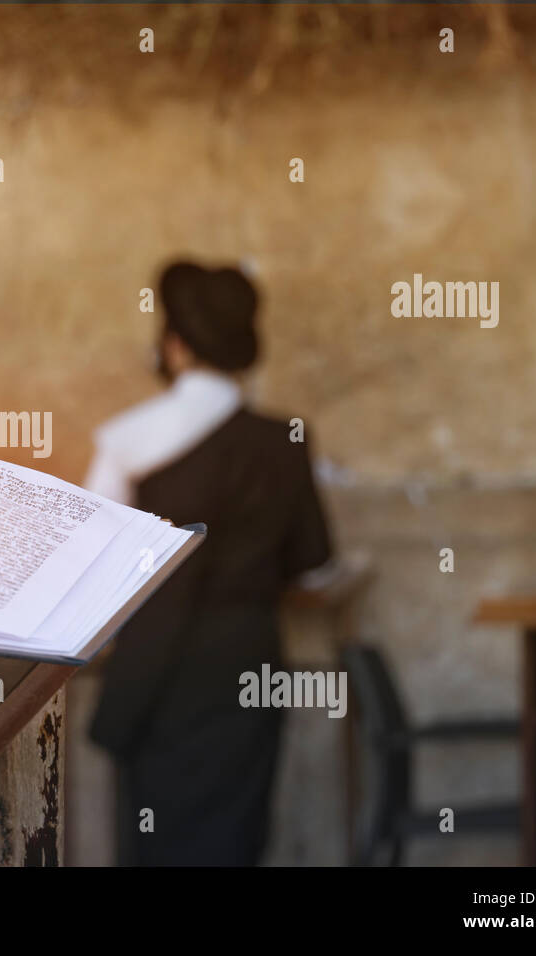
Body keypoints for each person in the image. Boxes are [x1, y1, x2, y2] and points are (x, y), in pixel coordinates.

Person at [86, 260, 334, 866]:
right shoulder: (287, 439)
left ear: (174, 346)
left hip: (155, 672)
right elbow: (315, 555)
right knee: (234, 838)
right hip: (248, 668)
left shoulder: (127, 441)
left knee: (156, 839)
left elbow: (93, 562)